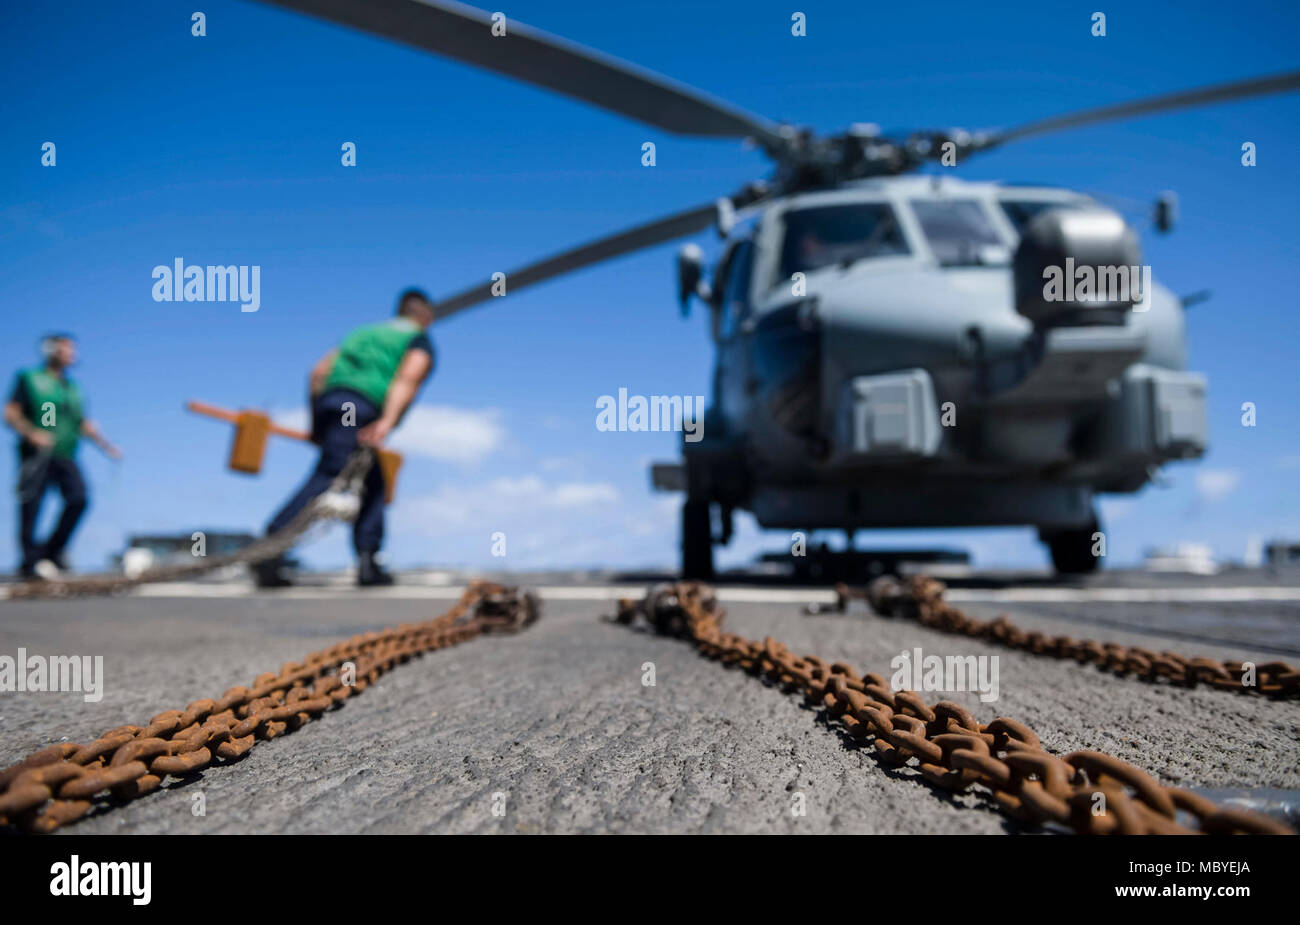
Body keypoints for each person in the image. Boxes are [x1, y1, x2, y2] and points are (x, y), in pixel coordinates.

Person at [255, 289, 436, 588]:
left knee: (373, 483)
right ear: (425, 316)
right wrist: (388, 421)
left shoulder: (363, 333)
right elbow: (408, 379)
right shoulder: (417, 338)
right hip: (360, 408)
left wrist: (316, 422)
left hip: (331, 403)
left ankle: (368, 561)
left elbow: (318, 372)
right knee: (331, 473)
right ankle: (270, 548)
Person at [5, 334, 121, 579]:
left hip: (65, 453)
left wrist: (106, 446)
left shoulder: (73, 388)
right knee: (32, 504)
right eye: (66, 349)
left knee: (78, 498)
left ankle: (51, 552)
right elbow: (11, 413)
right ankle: (29, 562)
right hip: (36, 454)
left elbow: (83, 423)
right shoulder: (31, 379)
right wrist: (31, 432)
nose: (71, 354)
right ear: (50, 351)